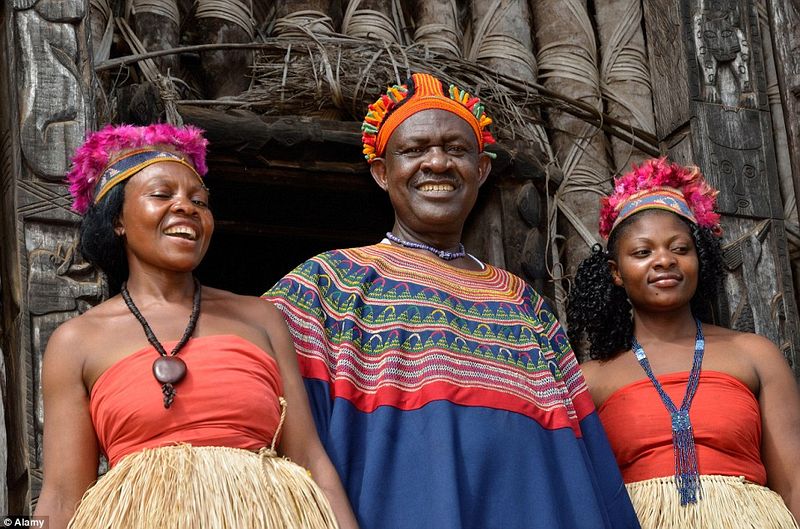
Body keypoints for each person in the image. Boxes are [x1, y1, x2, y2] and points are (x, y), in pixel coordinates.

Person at [263, 72, 640, 529]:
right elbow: (252, 408)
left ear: (481, 170)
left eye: (456, 149)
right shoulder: (328, 284)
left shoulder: (526, 305)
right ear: (381, 173)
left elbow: (582, 463)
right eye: (415, 150)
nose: (438, 162)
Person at [33, 123, 358, 529]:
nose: (186, 207)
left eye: (199, 200)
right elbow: (62, 495)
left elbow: (310, 458)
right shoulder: (76, 342)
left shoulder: (260, 318)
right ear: (117, 219)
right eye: (161, 194)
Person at [567, 158, 800, 528]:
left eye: (680, 249)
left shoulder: (754, 354)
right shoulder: (590, 379)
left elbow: (794, 482)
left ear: (699, 259)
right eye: (642, 252)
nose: (664, 261)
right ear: (616, 272)